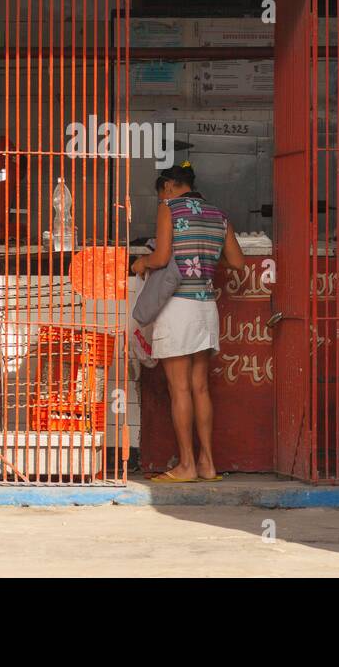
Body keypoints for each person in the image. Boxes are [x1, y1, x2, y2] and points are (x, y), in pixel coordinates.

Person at [131, 161, 245, 483]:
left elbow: (162, 257)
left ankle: (186, 465)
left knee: (178, 388)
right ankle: (207, 463)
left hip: (178, 308)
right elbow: (237, 262)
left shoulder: (170, 208)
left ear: (167, 187)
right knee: (200, 388)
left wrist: (141, 262)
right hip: (206, 308)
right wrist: (207, 251)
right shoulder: (218, 215)